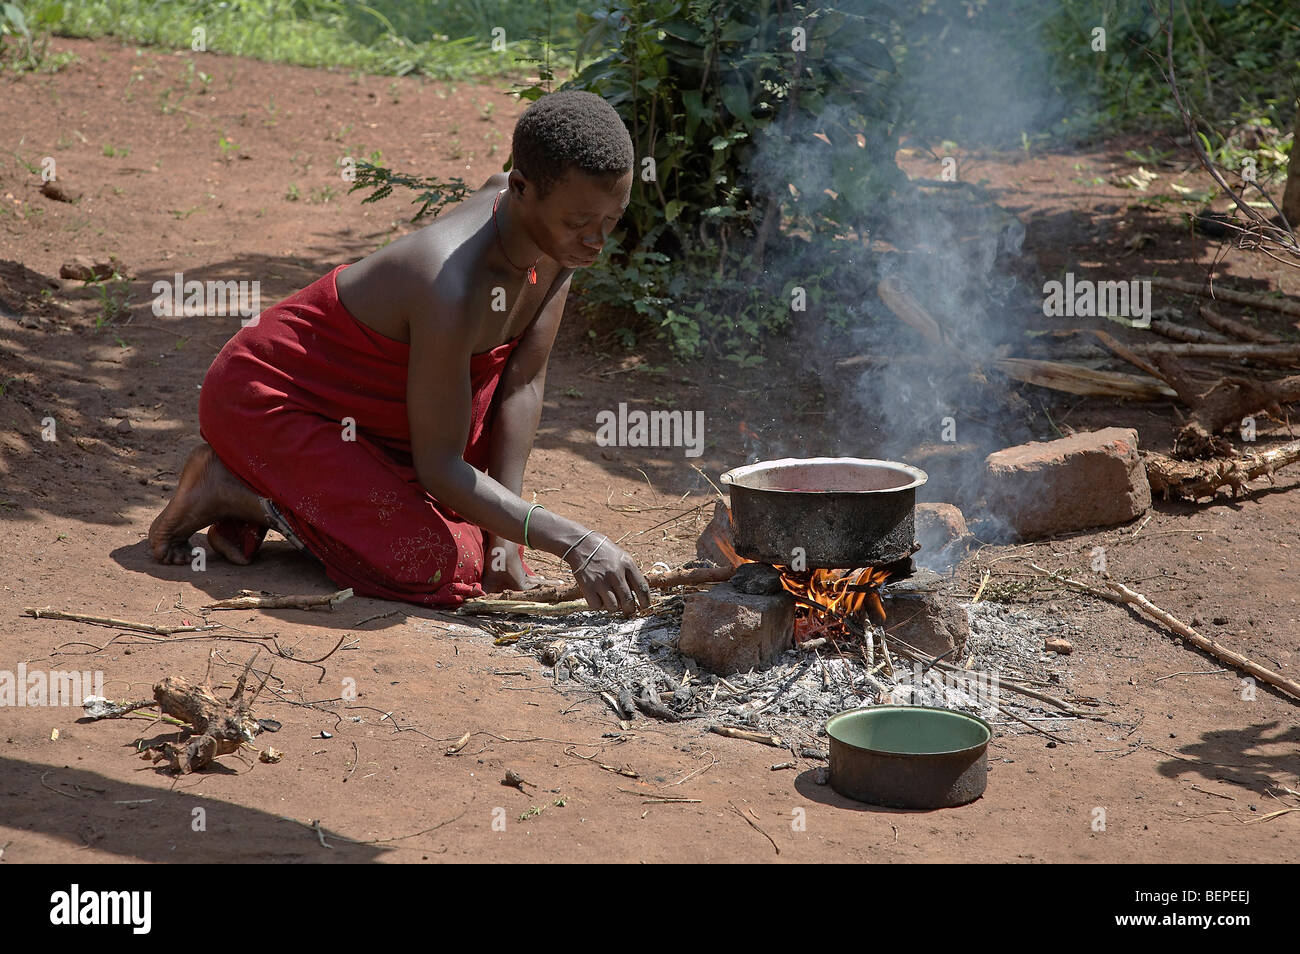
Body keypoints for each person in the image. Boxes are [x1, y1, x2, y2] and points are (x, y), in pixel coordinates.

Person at [148, 90, 651, 615]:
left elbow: (520, 383)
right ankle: (232, 487)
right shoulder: (448, 280)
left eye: (611, 221)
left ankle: (283, 500)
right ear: (521, 188)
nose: (596, 240)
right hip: (275, 401)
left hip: (395, 413)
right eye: (579, 224)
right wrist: (572, 539)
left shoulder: (558, 236)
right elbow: (439, 468)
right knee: (440, 562)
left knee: (487, 542)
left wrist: (509, 542)